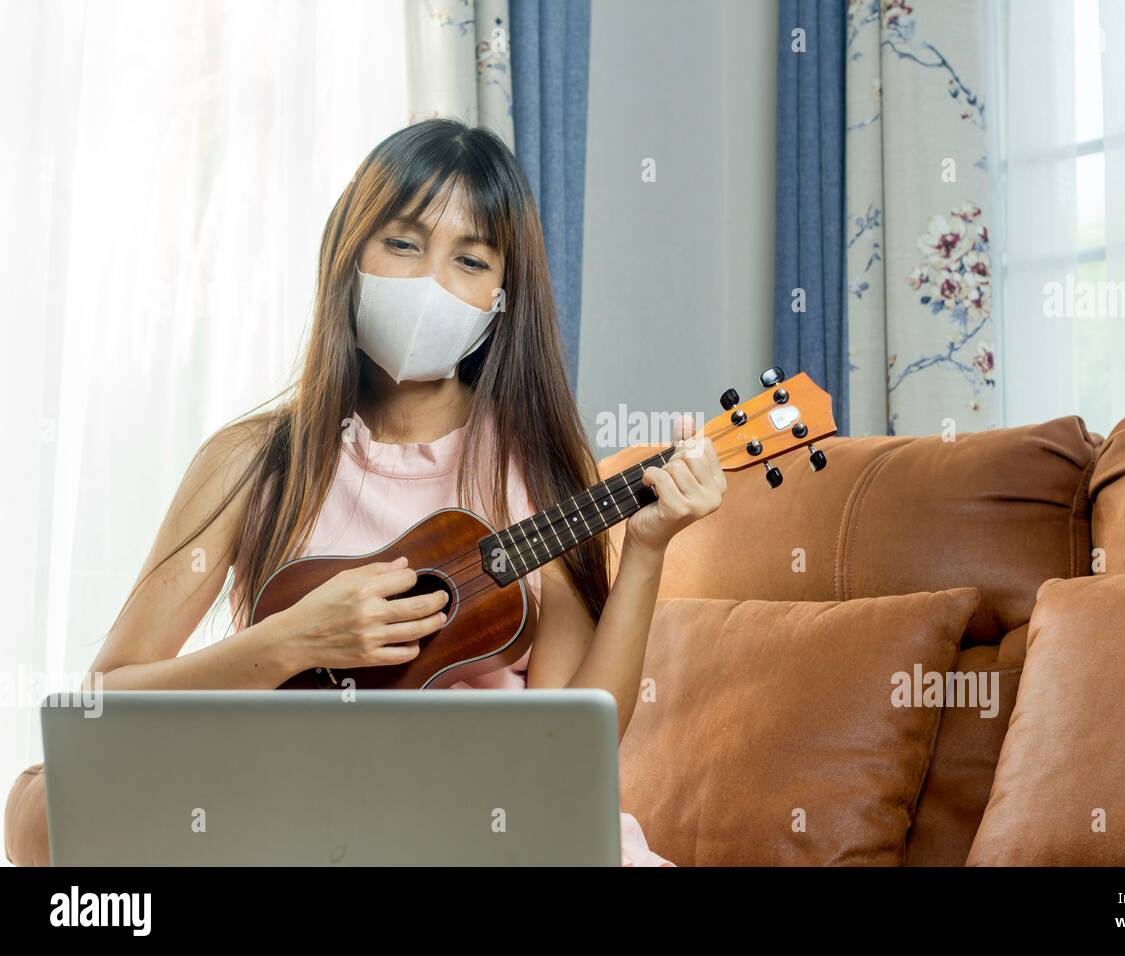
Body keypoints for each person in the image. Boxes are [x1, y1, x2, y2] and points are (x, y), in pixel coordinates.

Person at [3, 119, 726, 867]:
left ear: (501, 297)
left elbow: (576, 734)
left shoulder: (542, 465)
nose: (429, 285)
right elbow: (107, 701)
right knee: (55, 807)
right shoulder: (249, 463)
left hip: (491, 826)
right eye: (403, 244)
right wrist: (293, 640)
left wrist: (645, 550)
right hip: (307, 819)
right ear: (350, 251)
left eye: (470, 261)